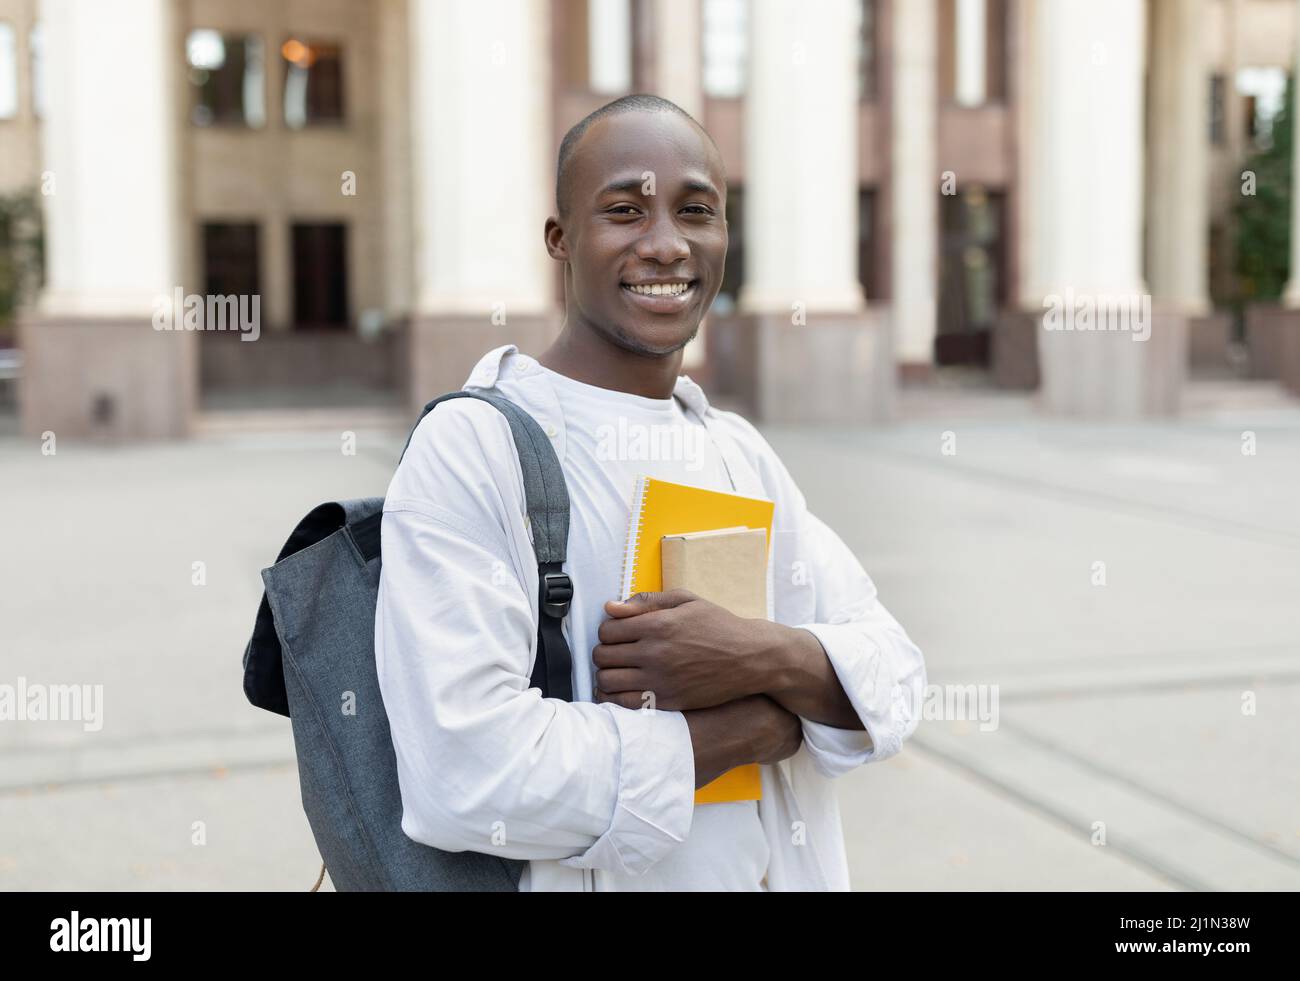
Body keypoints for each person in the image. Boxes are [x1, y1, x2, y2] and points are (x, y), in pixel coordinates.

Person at [375, 94, 926, 891]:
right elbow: (466, 767)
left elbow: (897, 674)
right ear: (560, 240)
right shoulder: (475, 448)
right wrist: (753, 726)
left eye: (695, 210)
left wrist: (755, 652)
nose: (667, 244)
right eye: (625, 210)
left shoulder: (736, 451)